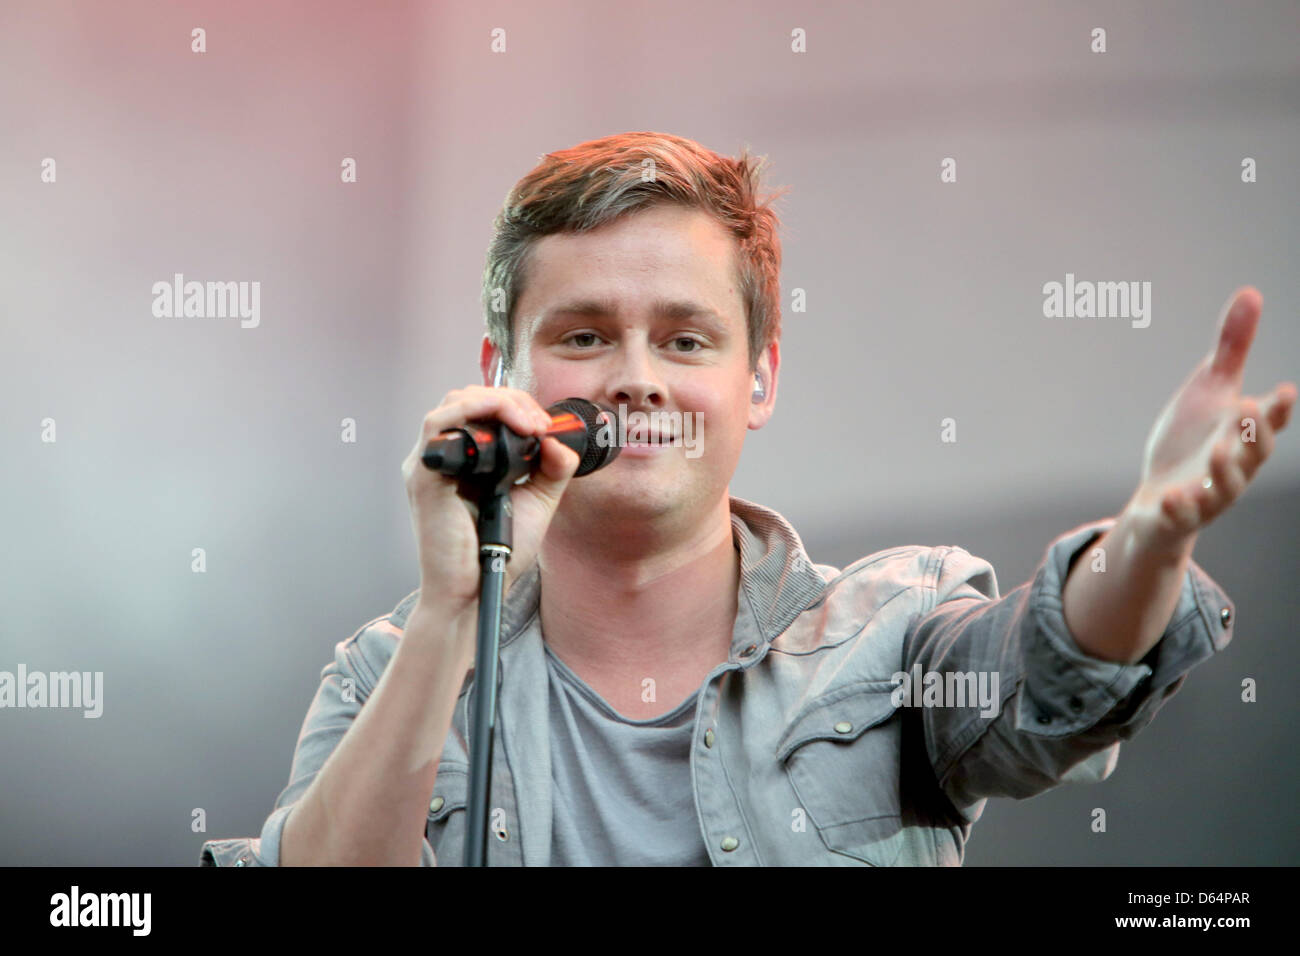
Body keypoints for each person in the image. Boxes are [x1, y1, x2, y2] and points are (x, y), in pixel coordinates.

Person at [200, 131, 1294, 867]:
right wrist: (449, 609)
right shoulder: (383, 672)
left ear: (758, 376)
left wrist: (1148, 539)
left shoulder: (885, 635)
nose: (635, 375)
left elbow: (1049, 675)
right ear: (505, 368)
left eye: (685, 338)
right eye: (583, 336)